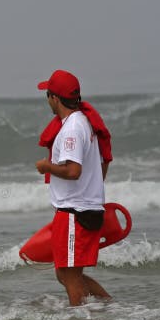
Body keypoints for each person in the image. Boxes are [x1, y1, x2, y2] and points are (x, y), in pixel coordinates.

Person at [34, 70, 113, 306]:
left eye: (48, 95)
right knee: (66, 273)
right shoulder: (84, 122)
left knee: (68, 275)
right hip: (81, 209)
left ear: (55, 98)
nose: (47, 100)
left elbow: (73, 171)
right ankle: (109, 306)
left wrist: (47, 166)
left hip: (74, 213)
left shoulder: (71, 129)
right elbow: (100, 165)